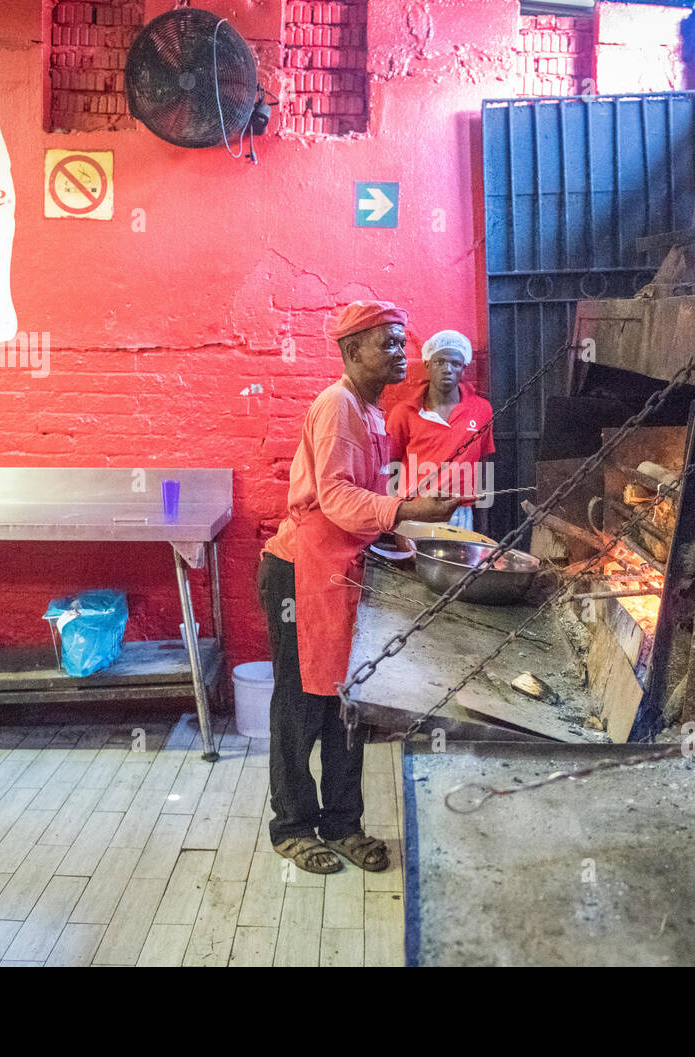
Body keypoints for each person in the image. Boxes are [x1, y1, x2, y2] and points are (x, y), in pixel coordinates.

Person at [258, 300, 462, 875]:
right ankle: (292, 827)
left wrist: (399, 543)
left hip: (340, 570)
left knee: (348, 704)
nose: (403, 353)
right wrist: (405, 509)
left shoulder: (372, 411)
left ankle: (343, 824)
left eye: (402, 341)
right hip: (299, 574)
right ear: (351, 352)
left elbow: (356, 510)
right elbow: (338, 498)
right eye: (389, 343)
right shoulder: (338, 406)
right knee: (300, 707)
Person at [385, 330, 495, 535]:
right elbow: (391, 466)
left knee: (459, 566)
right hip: (415, 510)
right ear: (427, 364)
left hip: (460, 511)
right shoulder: (404, 412)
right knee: (413, 566)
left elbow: (484, 466)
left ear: (464, 368)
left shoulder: (481, 410)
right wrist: (393, 513)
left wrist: (484, 524)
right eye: (440, 362)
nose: (448, 369)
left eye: (455, 364)